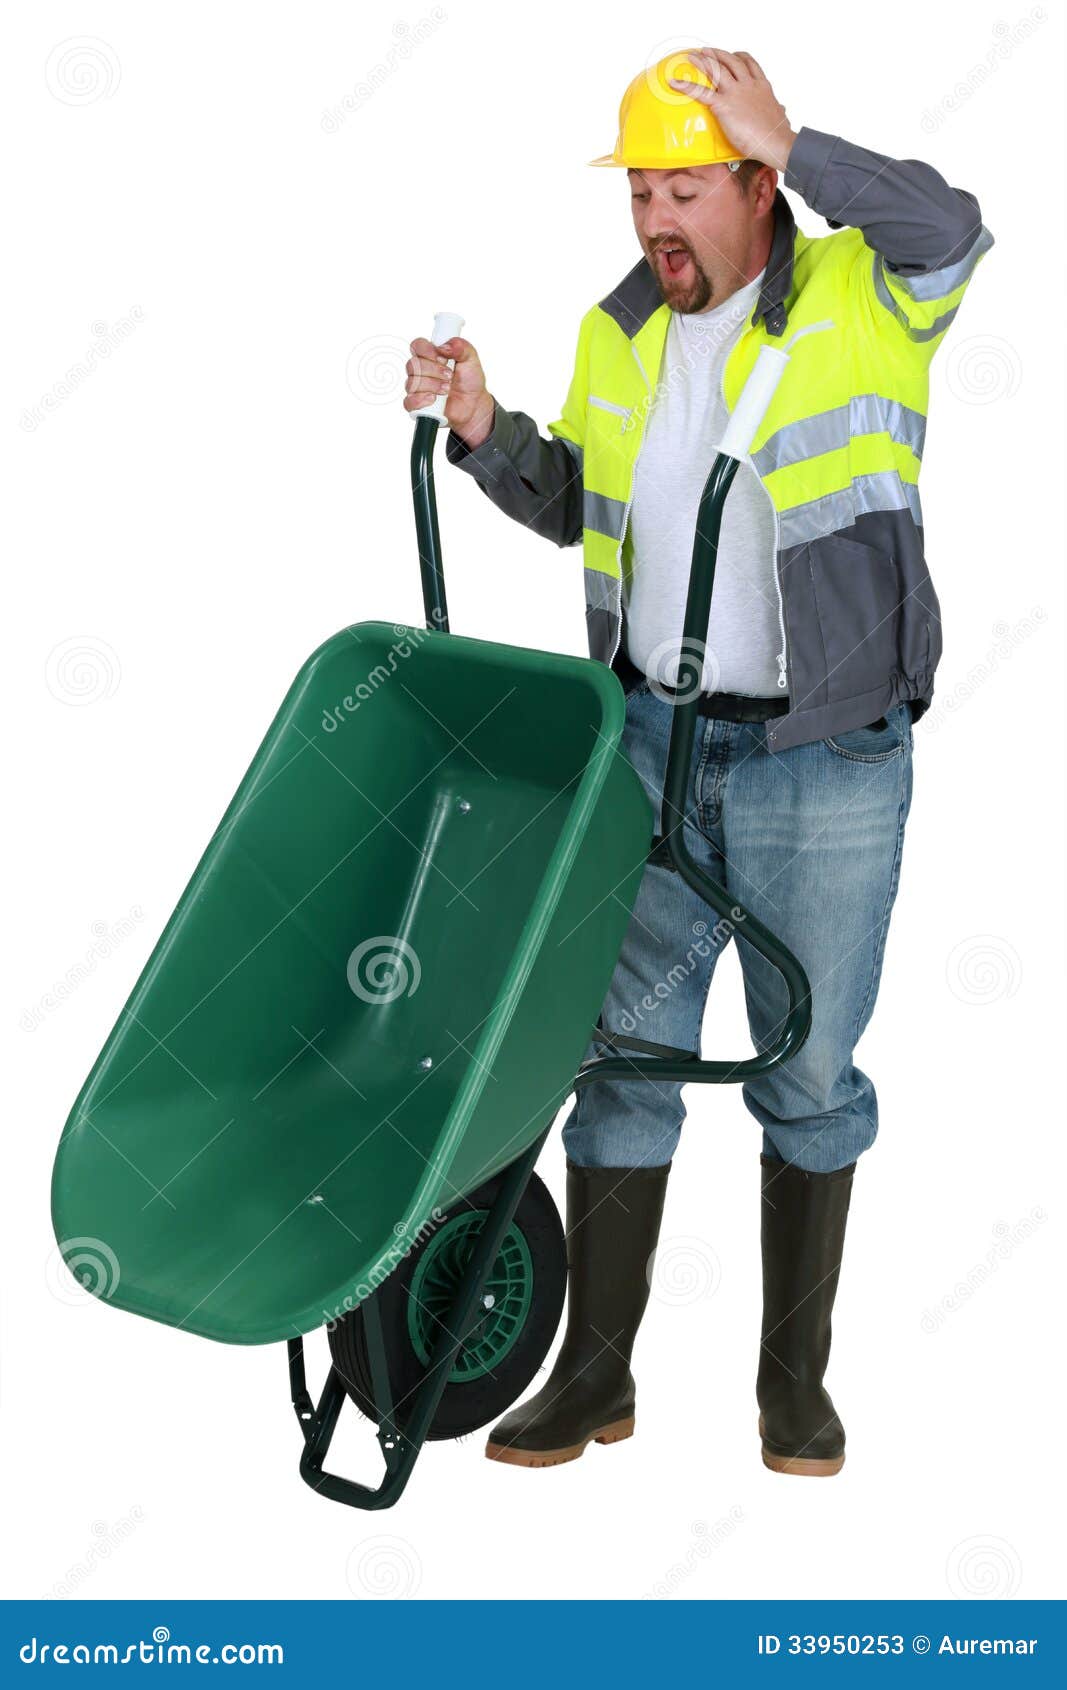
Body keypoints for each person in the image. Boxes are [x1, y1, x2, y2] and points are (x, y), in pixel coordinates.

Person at [404, 48, 992, 1476]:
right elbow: (591, 507)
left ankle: (793, 1386)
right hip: (644, 749)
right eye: (642, 191)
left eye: (684, 186)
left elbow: (955, 226)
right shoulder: (618, 335)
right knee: (617, 1062)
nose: (656, 218)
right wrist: (486, 435)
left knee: (812, 1074)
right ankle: (593, 1377)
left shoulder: (866, 296)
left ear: (755, 183)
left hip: (821, 762)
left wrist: (801, 138)